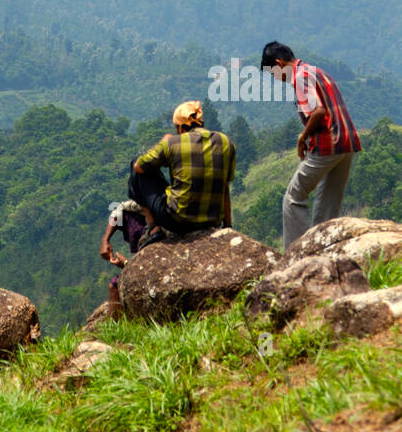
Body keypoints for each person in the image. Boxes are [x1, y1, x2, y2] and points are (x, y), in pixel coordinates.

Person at [261, 42, 361, 250]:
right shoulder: (316, 71)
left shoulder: (299, 78)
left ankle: (295, 252)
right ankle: (324, 249)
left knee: (293, 197)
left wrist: (302, 137)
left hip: (328, 145)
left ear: (279, 64)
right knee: (328, 204)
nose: (277, 79)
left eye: (274, 74)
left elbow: (318, 112)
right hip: (347, 143)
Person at [128, 101, 235, 245]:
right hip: (212, 221)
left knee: (138, 166)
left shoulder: (172, 143)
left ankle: (154, 228)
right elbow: (225, 187)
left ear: (180, 127)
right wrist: (228, 226)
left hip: (178, 221)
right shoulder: (225, 142)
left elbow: (138, 167)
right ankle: (155, 227)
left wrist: (164, 142)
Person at [100, 200, 145, 316]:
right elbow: (119, 211)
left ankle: (115, 328)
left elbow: (149, 269)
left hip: (148, 272)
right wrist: (105, 240)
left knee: (115, 285)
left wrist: (125, 264)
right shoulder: (142, 207)